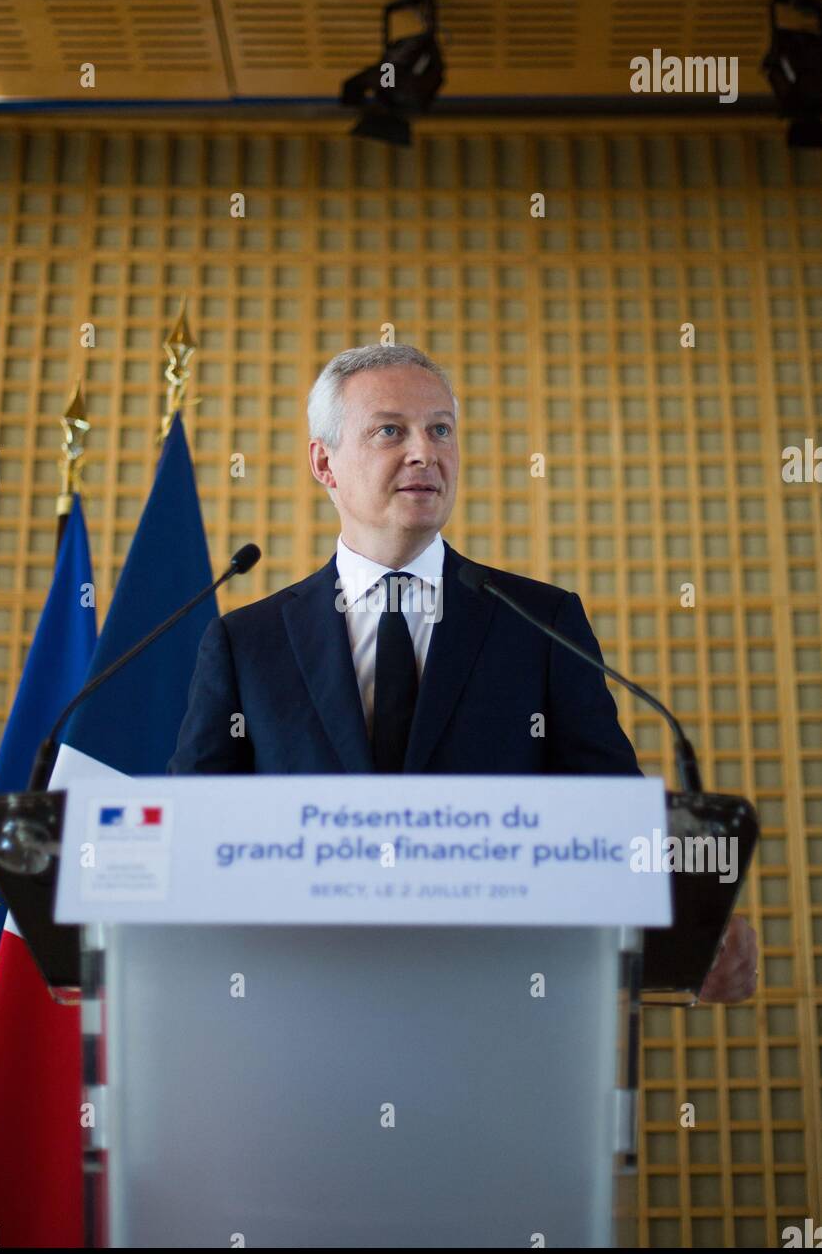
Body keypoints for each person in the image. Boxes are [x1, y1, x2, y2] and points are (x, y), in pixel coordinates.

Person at [168, 343, 757, 1002]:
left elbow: (607, 815)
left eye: (440, 429)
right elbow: (196, 831)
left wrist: (685, 935)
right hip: (298, 1001)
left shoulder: (540, 621)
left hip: (502, 1002)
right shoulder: (247, 641)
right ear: (324, 462)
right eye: (391, 430)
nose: (425, 451)